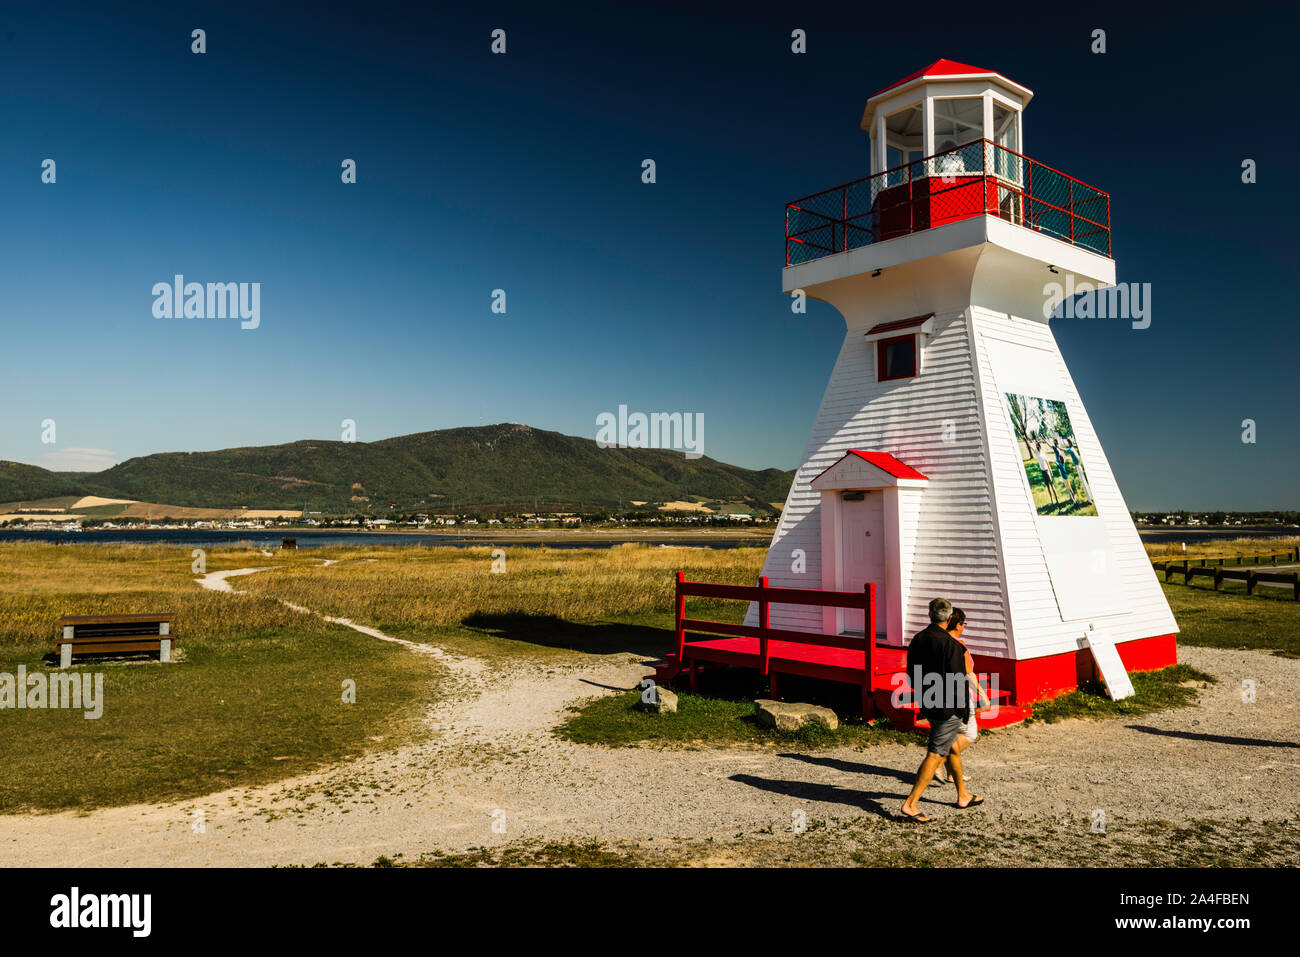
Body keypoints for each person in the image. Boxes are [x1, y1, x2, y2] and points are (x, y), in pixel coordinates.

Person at [898, 598, 984, 822]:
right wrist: (963, 710)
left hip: (929, 701)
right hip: (948, 707)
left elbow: (911, 674)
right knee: (936, 753)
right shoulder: (951, 645)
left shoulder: (918, 639)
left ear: (930, 615)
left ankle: (963, 794)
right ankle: (911, 803)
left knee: (950, 748)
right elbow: (957, 681)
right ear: (949, 617)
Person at [933, 607, 991, 785]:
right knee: (970, 733)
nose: (964, 627)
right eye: (964, 623)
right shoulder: (958, 645)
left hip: (938, 693)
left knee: (953, 732)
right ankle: (937, 762)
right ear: (957, 625)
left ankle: (952, 773)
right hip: (959, 695)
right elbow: (968, 672)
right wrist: (983, 695)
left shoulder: (937, 642)